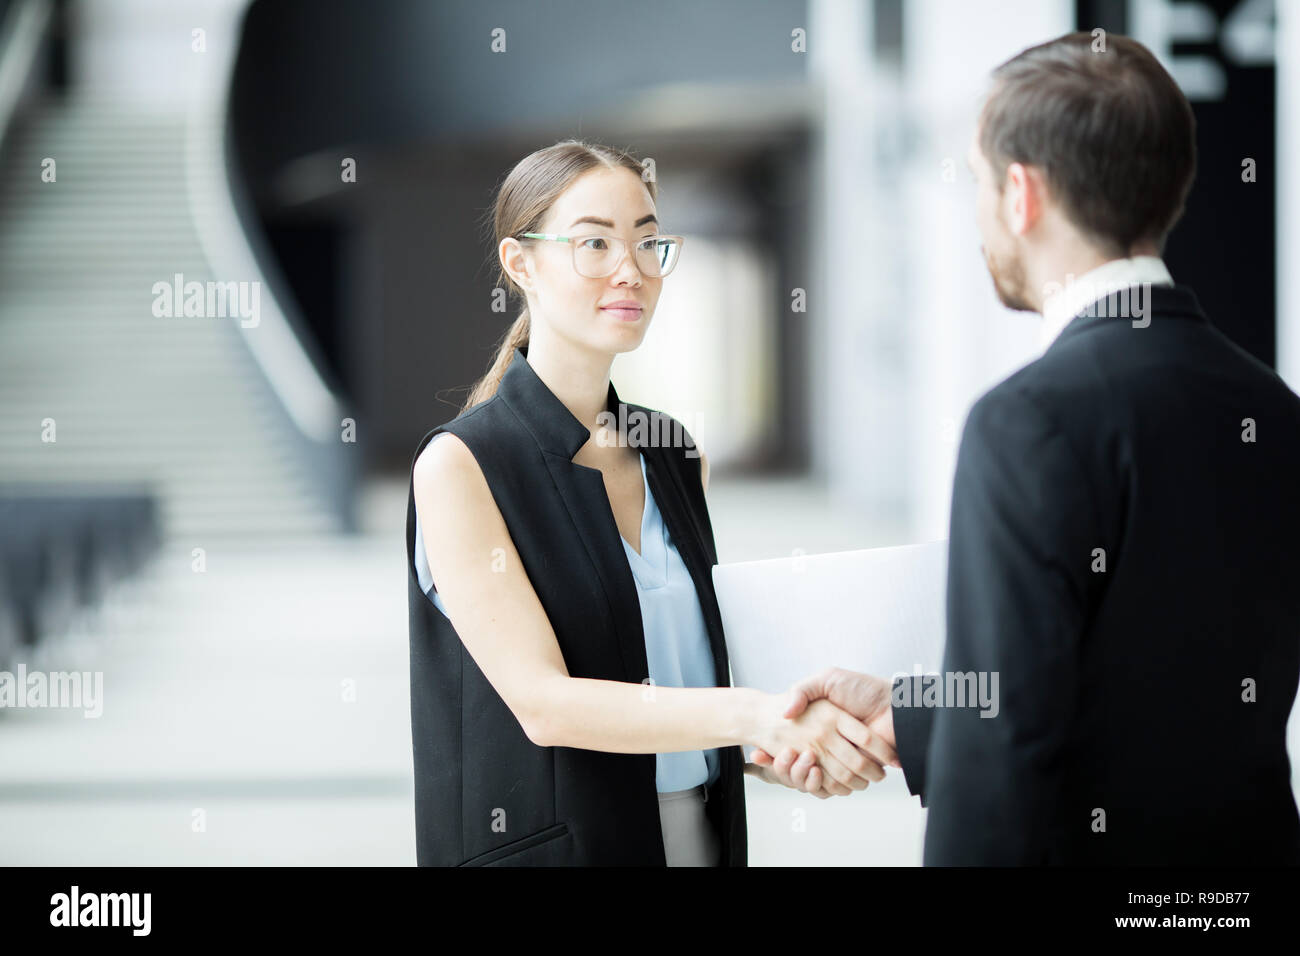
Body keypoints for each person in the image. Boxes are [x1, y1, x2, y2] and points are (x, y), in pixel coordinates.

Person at [753, 31, 1300, 866]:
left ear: (1021, 193)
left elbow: (1004, 753)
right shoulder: (1273, 407)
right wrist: (916, 715)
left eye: (976, 181)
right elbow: (1142, 684)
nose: (976, 216)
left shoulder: (1029, 420)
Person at [406, 140, 897, 867]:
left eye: (647, 240)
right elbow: (545, 704)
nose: (630, 270)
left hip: (700, 838)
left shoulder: (672, 453)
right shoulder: (463, 464)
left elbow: (681, 683)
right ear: (521, 264)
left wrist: (779, 744)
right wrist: (754, 714)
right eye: (594, 243)